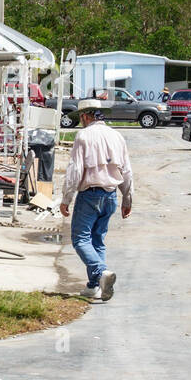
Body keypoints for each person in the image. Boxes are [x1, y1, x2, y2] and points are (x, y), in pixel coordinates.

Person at [60, 98, 133, 300]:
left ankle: (101, 273)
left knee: (80, 239)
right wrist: (127, 199)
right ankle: (94, 286)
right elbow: (126, 171)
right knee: (97, 240)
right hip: (110, 195)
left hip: (90, 195)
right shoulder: (117, 136)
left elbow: (75, 170)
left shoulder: (83, 136)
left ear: (84, 116)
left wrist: (66, 198)